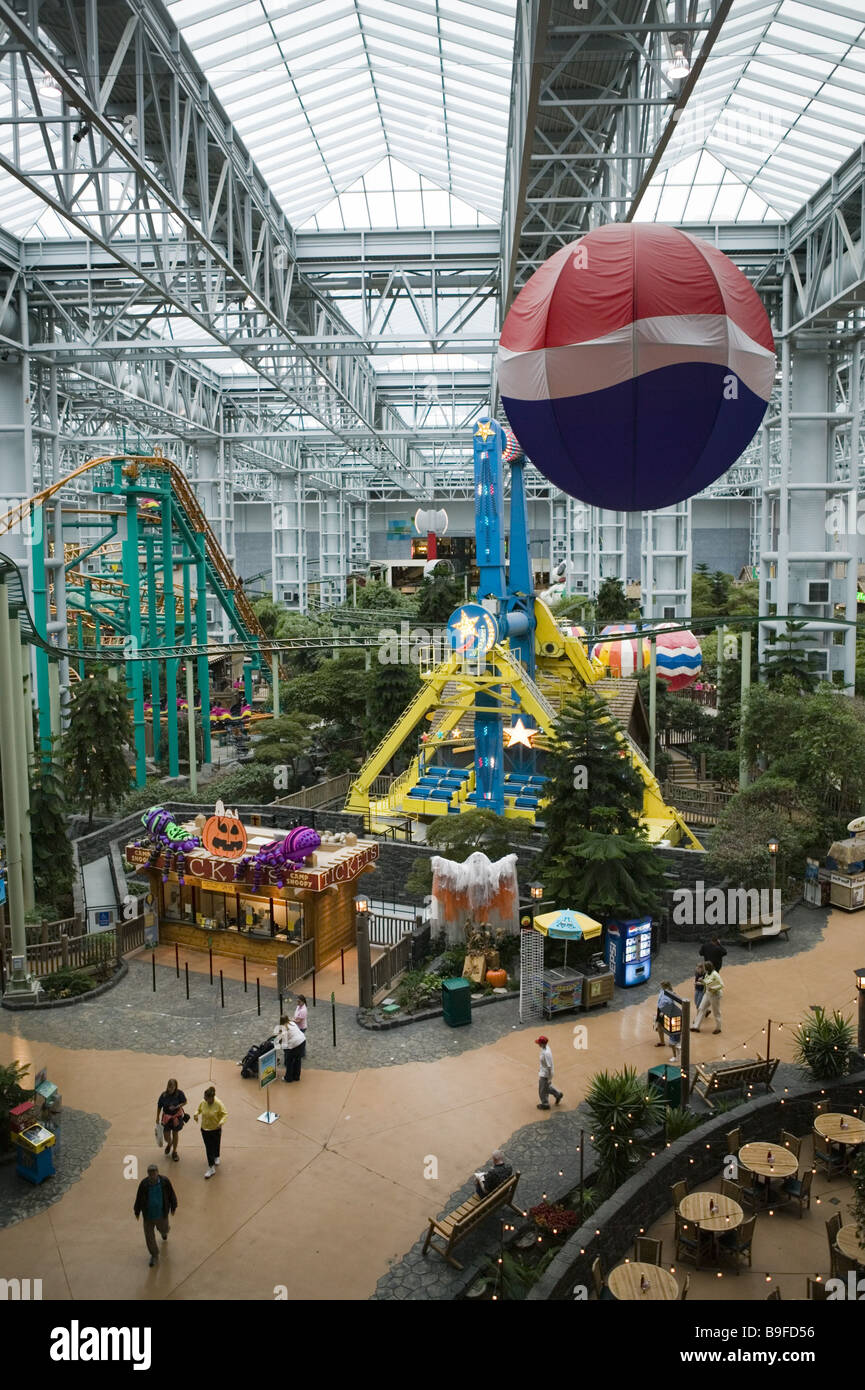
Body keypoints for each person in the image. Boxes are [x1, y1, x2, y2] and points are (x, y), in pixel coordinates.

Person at [133, 1163, 177, 1266]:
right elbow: (139, 1198)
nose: (152, 1175)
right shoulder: (143, 1184)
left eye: (154, 1173)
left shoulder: (165, 1182)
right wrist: (137, 1211)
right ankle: (154, 1254)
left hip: (162, 1214)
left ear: (157, 1173)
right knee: (149, 1237)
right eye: (150, 1173)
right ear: (148, 1174)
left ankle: (163, 1232)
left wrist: (174, 1206)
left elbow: (171, 1194)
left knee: (165, 1228)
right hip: (148, 1216)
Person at [194, 1086, 227, 1178]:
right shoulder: (203, 1102)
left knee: (216, 1144)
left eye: (206, 1098)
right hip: (205, 1129)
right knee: (208, 1147)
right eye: (204, 1097)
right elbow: (199, 1109)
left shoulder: (218, 1104)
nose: (204, 1099)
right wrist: (196, 1114)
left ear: (211, 1097)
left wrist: (221, 1122)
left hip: (215, 1129)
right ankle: (211, 1167)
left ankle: (217, 1156)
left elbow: (225, 1114)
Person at [155, 1078, 187, 1162]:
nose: (171, 1089)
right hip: (166, 1118)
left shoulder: (179, 1093)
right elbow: (159, 1106)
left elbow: (185, 1101)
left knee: (175, 1133)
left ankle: (174, 1152)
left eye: (173, 1087)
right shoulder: (164, 1095)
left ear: (175, 1087)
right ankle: (169, 1143)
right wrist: (157, 1117)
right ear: (167, 1087)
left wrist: (178, 1106)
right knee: (166, 1136)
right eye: (170, 1087)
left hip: (176, 1117)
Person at [692, 966, 724, 1033]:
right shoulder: (707, 973)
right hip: (707, 994)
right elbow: (707, 982)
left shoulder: (715, 974)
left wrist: (713, 989)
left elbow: (721, 985)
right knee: (701, 1008)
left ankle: (718, 1028)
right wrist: (701, 982)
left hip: (715, 995)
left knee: (716, 1012)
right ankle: (696, 1026)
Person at [535, 1035, 562, 1110]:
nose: (538, 1044)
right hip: (543, 1072)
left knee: (542, 1090)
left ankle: (545, 1104)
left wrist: (549, 1078)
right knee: (545, 1087)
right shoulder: (545, 1048)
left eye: (539, 1043)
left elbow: (549, 1067)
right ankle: (558, 1094)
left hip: (546, 1074)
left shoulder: (546, 1053)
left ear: (543, 1044)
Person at [276, 1014, 306, 1082]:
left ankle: (288, 1078)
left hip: (294, 1045)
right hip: (302, 1041)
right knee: (298, 1060)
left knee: (289, 1061)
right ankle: (296, 1076)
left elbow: (281, 1041)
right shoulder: (292, 1023)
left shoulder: (284, 1028)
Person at [654, 981, 675, 1048]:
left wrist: (663, 1012)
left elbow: (669, 1004)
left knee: (665, 1026)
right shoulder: (662, 990)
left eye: (662, 986)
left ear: (665, 987)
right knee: (659, 1025)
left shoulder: (669, 994)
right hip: (660, 1009)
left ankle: (673, 1041)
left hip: (664, 1011)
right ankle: (662, 1041)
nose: (661, 987)